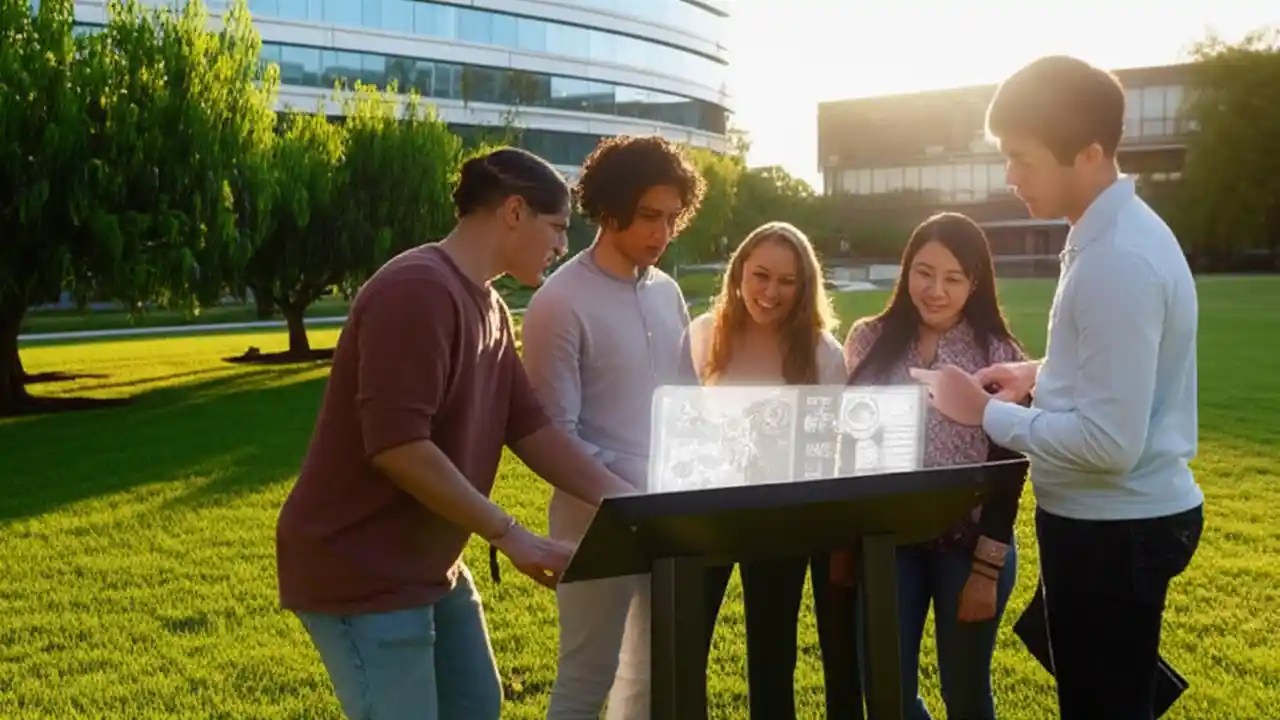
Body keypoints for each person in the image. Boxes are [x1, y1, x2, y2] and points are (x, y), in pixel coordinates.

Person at [274, 147, 636, 720]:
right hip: (360, 567)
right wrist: (512, 535)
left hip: (429, 567)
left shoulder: (490, 307)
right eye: (558, 227)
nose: (563, 246)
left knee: (475, 705)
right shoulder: (417, 290)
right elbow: (398, 447)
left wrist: (633, 505)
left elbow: (531, 427)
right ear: (513, 212)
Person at [917, 56, 1205, 720]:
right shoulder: (1103, 234)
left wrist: (983, 412)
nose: (1010, 176)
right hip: (1110, 527)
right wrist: (1036, 374)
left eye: (1022, 159)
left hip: (1114, 531)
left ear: (1089, 154)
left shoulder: (1117, 258)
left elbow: (1109, 443)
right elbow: (1116, 364)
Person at [522, 135, 706, 720]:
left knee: (656, 673)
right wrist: (635, 486)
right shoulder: (558, 302)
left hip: (671, 514)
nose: (662, 233)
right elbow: (554, 435)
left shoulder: (668, 293)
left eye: (672, 218)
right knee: (586, 676)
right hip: (593, 522)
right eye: (649, 216)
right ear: (607, 208)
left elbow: (687, 406)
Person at [831, 212, 1029, 720]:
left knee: (965, 695)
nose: (935, 290)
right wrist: (846, 543)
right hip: (887, 543)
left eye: (953, 278)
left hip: (968, 546)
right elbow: (848, 446)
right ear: (906, 271)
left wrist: (986, 570)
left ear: (974, 283)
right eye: (924, 272)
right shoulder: (868, 339)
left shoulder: (998, 354)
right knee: (887, 695)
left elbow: (1010, 471)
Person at [685, 221, 849, 720]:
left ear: (803, 287)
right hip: (704, 515)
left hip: (782, 520)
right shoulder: (703, 334)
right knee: (684, 649)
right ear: (739, 273)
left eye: (786, 281)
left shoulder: (822, 353)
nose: (770, 292)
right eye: (760, 275)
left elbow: (829, 452)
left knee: (773, 656)